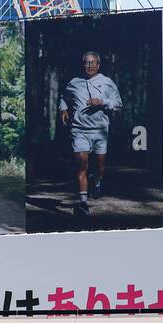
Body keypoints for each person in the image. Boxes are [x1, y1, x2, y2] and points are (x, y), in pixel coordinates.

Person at [59, 51, 122, 217]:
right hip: (79, 130)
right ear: (83, 64)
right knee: (82, 167)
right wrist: (63, 109)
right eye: (87, 62)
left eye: (93, 62)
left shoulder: (107, 82)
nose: (90, 65)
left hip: (100, 130)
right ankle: (83, 204)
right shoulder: (74, 82)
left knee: (101, 168)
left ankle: (98, 180)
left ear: (98, 65)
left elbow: (118, 103)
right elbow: (64, 97)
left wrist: (102, 102)